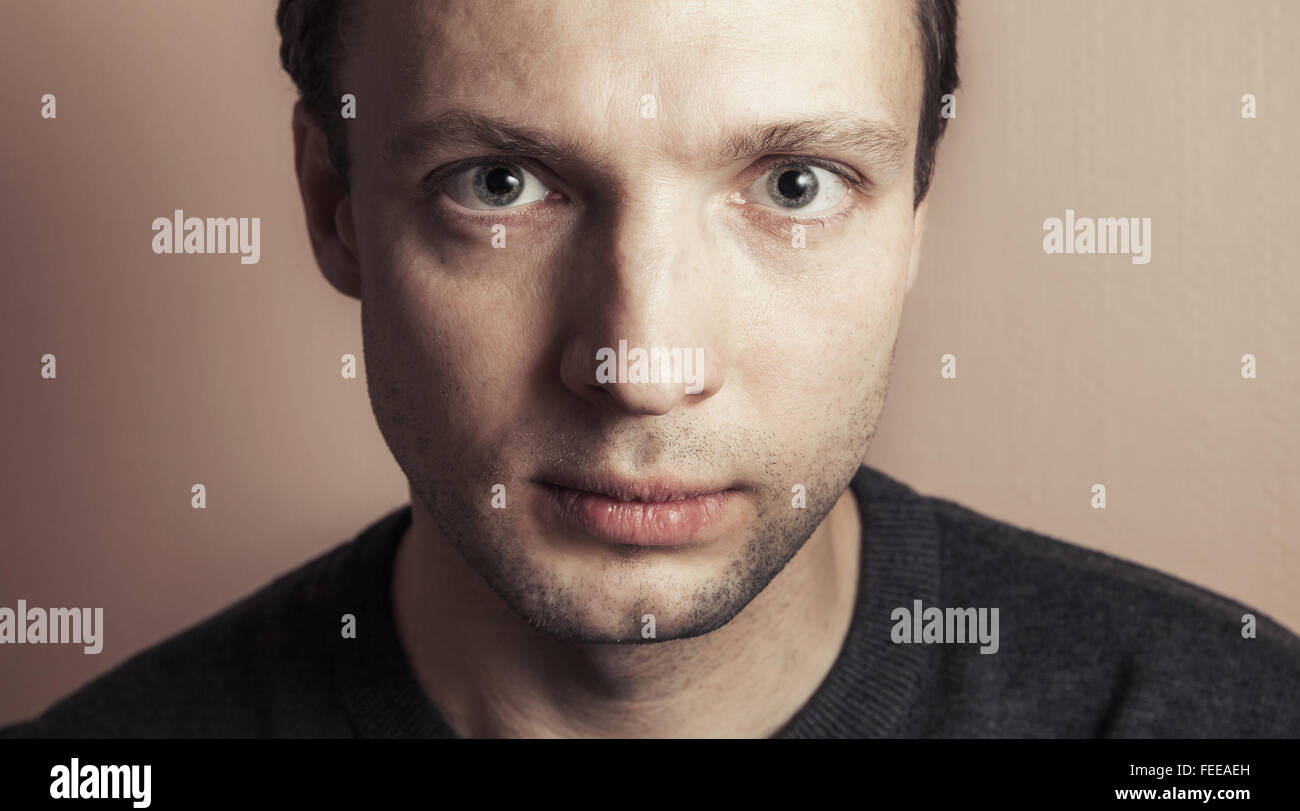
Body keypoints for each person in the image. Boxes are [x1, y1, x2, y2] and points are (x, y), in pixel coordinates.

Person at [5, 0, 1298, 739]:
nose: (641, 362)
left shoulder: (1218, 734)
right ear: (332, 205)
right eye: (500, 185)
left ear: (915, 214)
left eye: (795, 184)